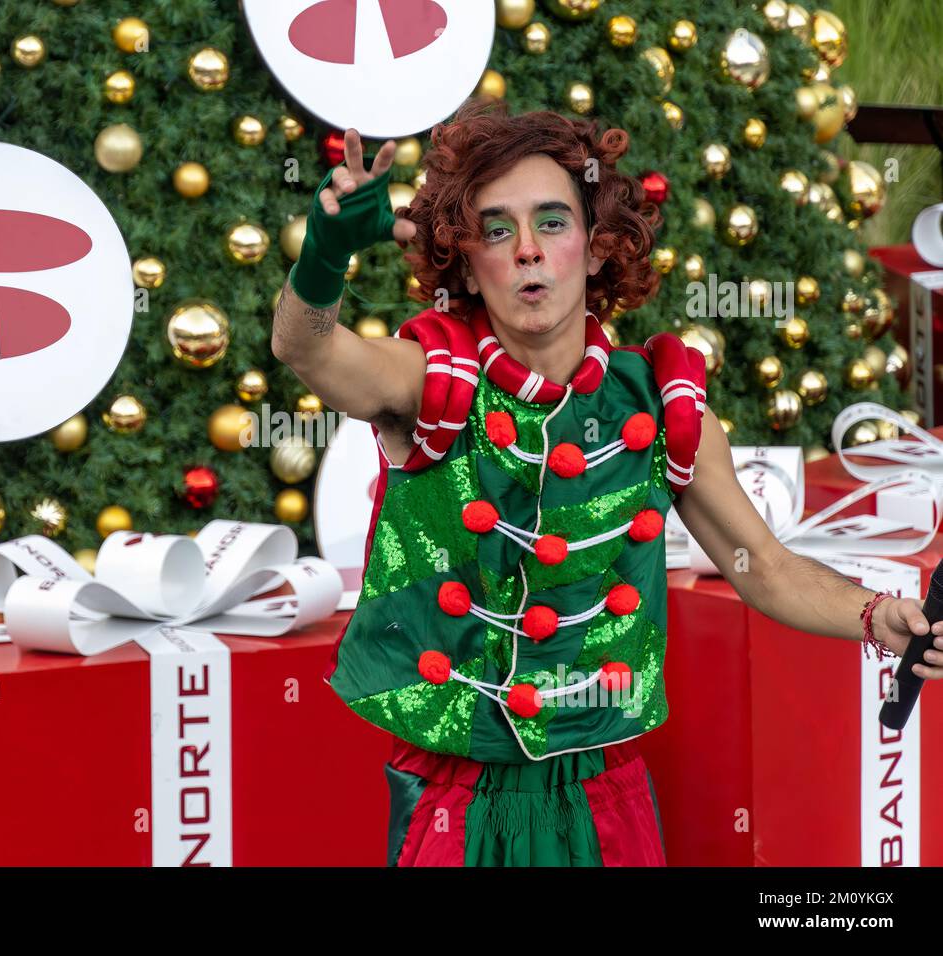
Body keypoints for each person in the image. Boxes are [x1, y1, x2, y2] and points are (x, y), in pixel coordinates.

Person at [270, 98, 943, 868]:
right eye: (496, 230)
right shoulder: (430, 381)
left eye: (552, 222)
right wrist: (325, 254)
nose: (527, 250)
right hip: (458, 801)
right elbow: (306, 349)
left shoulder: (662, 408)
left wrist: (876, 613)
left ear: (595, 249)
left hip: (604, 790)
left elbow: (769, 567)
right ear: (466, 260)